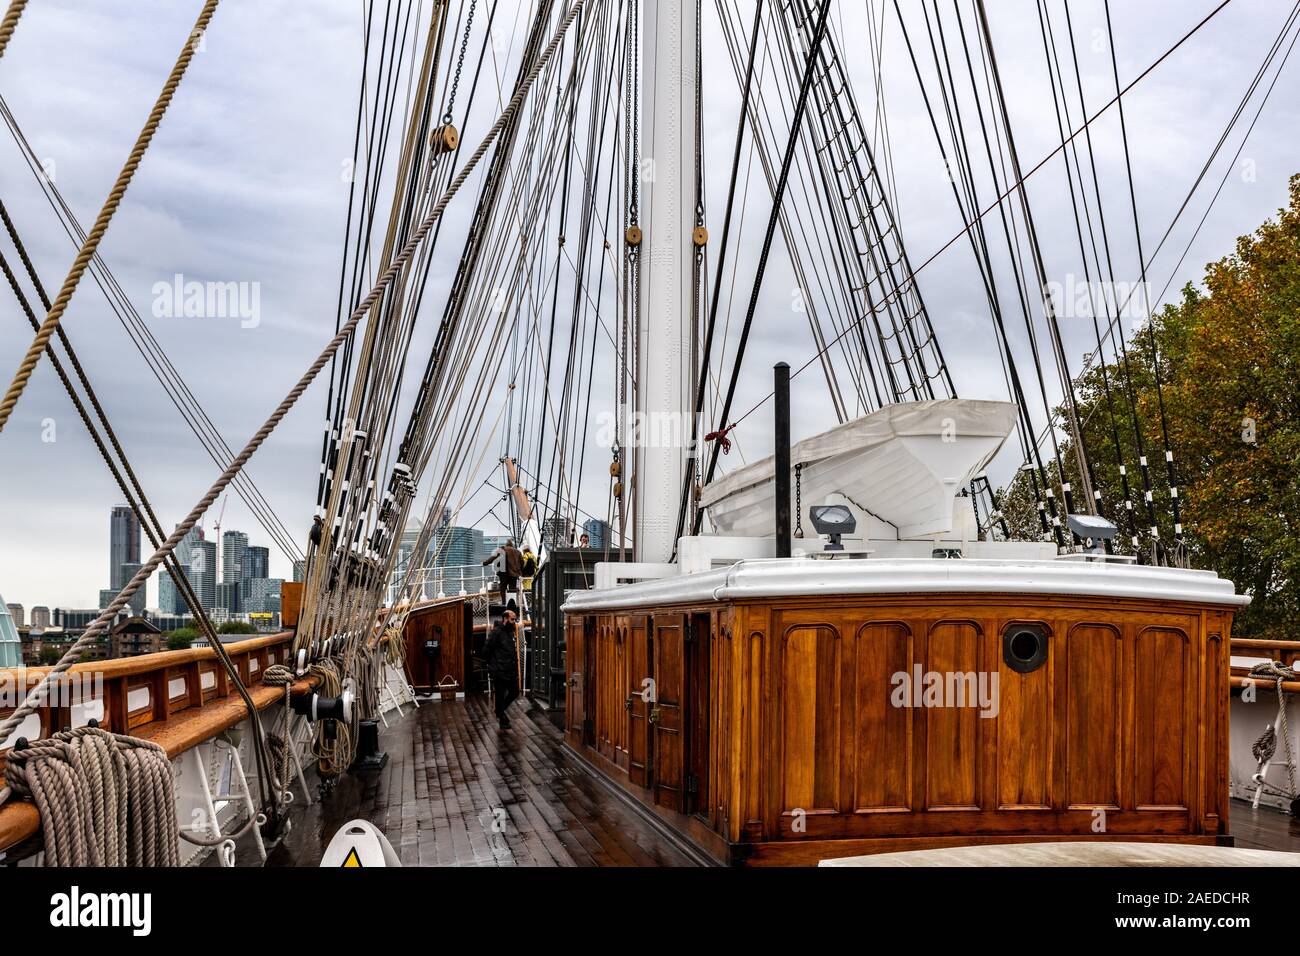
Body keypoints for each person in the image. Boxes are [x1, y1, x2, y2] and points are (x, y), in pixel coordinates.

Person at [481, 609, 520, 728]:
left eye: (515, 619)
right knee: (500, 694)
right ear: (505, 619)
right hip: (499, 669)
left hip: (510, 669)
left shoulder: (510, 632)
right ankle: (502, 719)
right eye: (512, 619)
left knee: (515, 692)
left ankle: (499, 710)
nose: (514, 622)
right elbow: (486, 650)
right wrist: (491, 665)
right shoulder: (496, 632)